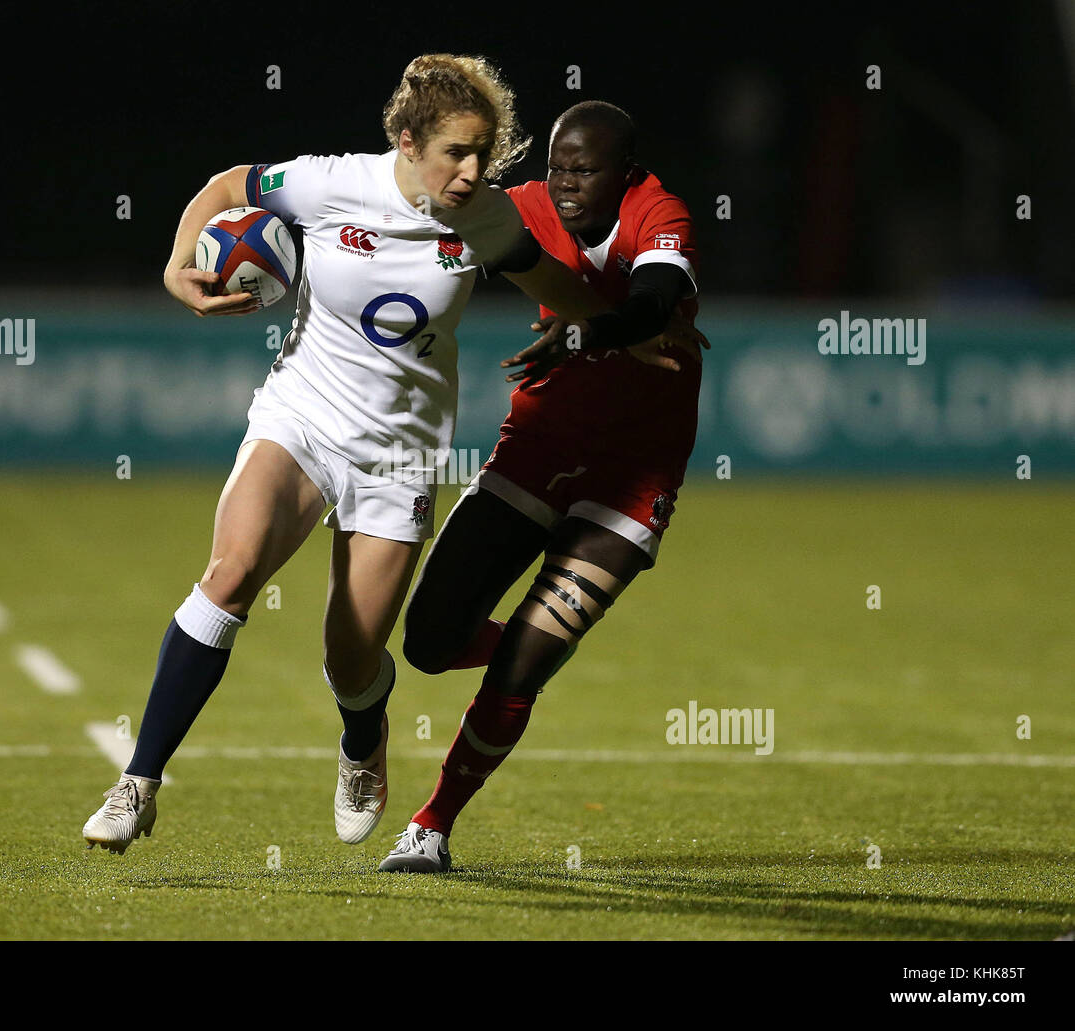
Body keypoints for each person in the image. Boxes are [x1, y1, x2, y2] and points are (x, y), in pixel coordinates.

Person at [80, 60, 687, 855]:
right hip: (302, 416)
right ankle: (137, 783)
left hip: (400, 454)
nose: (473, 172)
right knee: (229, 574)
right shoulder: (332, 184)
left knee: (352, 651)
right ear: (408, 143)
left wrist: (631, 331)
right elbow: (230, 186)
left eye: (484, 155)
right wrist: (175, 262)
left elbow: (550, 279)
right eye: (457, 154)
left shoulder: (488, 218)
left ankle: (363, 739)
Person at [379, 100, 708, 872]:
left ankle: (430, 826)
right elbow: (420, 224)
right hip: (536, 448)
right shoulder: (523, 207)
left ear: (624, 172)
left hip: (633, 476)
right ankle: (526, 660)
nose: (563, 184)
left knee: (523, 661)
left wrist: (591, 327)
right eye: (557, 166)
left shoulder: (658, 212)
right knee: (427, 641)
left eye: (584, 170)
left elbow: (655, 300)